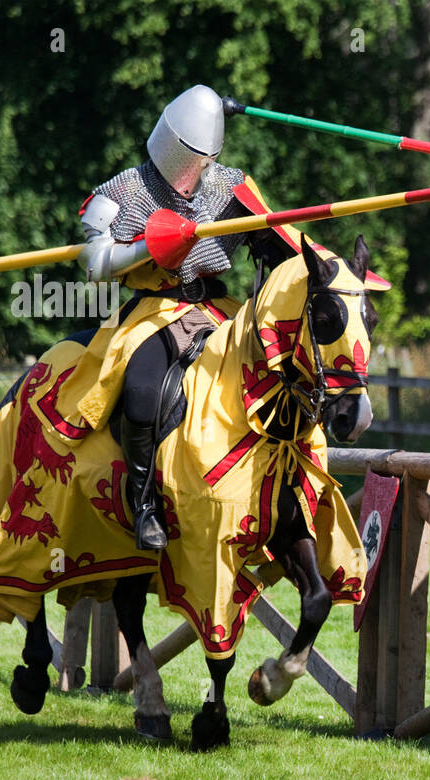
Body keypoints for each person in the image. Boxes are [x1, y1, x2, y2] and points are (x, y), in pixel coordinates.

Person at [74, 84, 297, 551]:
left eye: (204, 159)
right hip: (154, 309)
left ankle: (283, 496)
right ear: (169, 141)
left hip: (218, 307)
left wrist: (281, 247)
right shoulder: (125, 189)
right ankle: (144, 505)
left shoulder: (230, 185)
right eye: (188, 156)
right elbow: (93, 263)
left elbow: (274, 242)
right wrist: (149, 245)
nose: (195, 169)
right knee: (142, 390)